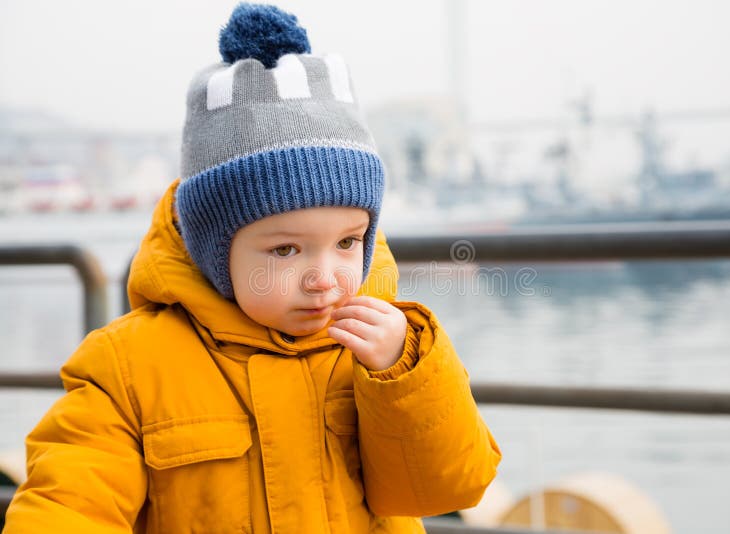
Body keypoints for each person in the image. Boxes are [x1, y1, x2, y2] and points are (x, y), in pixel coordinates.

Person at [3, 3, 501, 533]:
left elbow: (449, 486)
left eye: (347, 242)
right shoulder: (128, 369)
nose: (324, 276)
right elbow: (70, 504)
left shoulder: (385, 352)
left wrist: (405, 375)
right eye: (286, 250)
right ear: (215, 250)